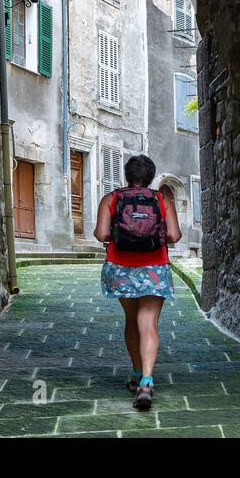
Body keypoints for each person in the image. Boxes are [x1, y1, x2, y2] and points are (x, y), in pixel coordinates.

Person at [93, 154, 182, 410]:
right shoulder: (161, 199)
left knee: (132, 320)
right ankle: (146, 380)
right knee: (149, 323)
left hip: (120, 268)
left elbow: (102, 234)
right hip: (154, 268)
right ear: (151, 177)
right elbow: (174, 235)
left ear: (127, 175)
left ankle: (135, 371)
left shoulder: (112, 198)